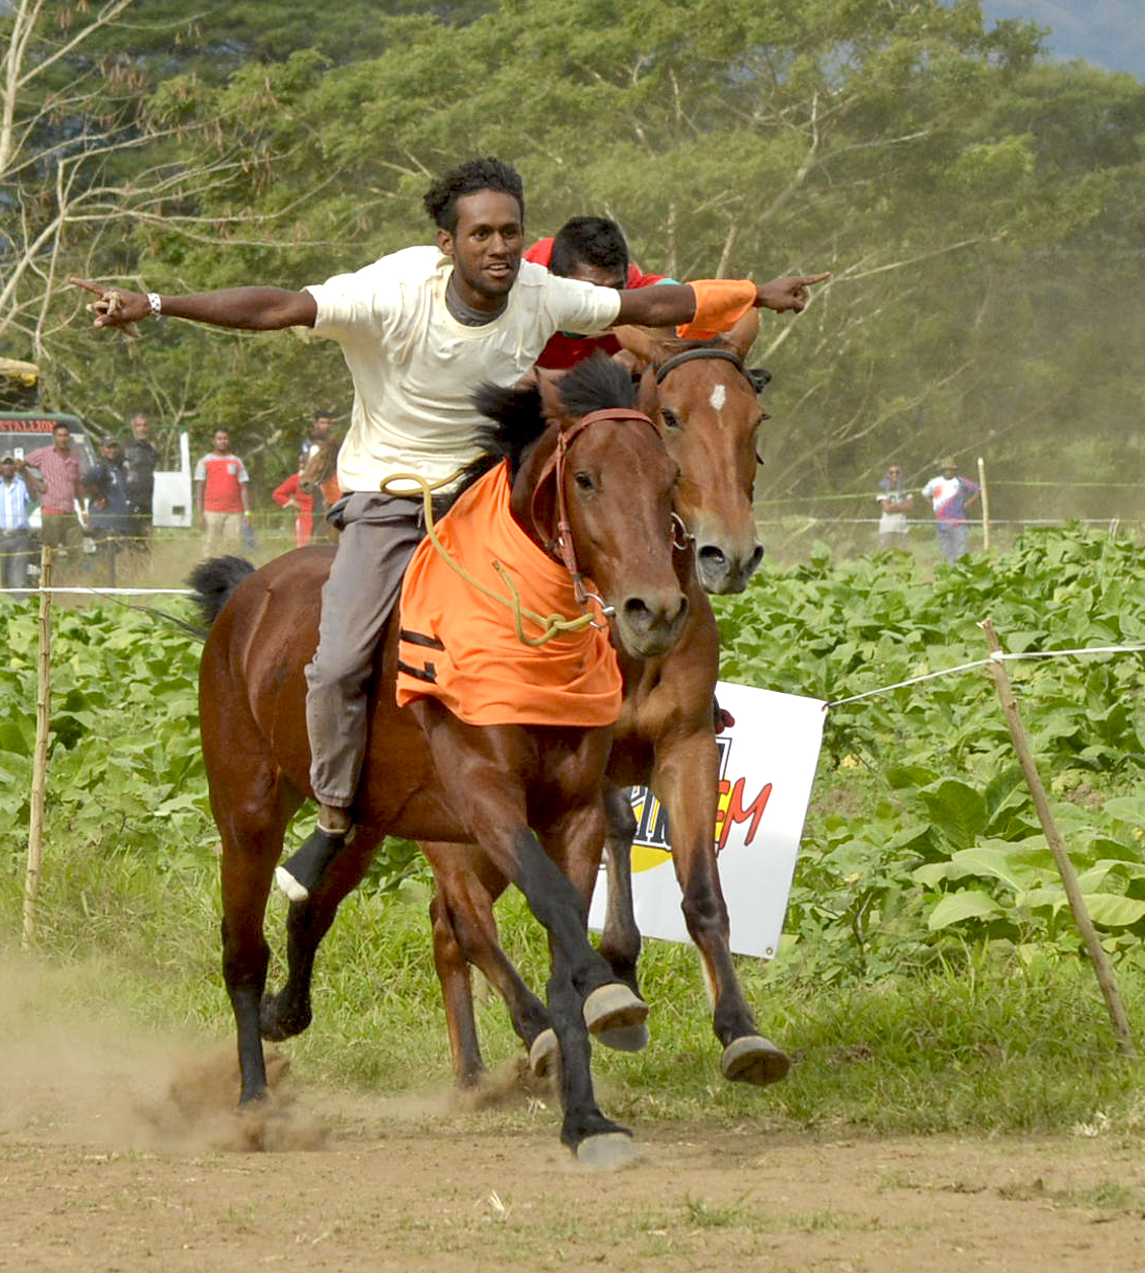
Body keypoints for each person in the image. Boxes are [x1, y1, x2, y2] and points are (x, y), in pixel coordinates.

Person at [71, 154, 823, 879]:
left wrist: (756, 292)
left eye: (508, 231)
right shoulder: (391, 291)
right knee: (335, 663)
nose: (499, 247)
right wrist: (157, 304)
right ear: (448, 242)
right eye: (482, 234)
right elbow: (277, 307)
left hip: (488, 494)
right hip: (390, 500)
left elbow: (651, 304)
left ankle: (625, 743)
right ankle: (334, 813)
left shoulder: (539, 289)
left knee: (613, 573)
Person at [522, 216, 674, 370]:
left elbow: (679, 298)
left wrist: (641, 351)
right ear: (553, 278)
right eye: (590, 291)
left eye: (614, 290)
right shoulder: (517, 289)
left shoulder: (630, 287)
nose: (604, 303)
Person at [24, 422, 85, 573]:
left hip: (70, 512)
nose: (63, 438)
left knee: (77, 552)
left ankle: (74, 585)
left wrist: (84, 511)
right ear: (54, 437)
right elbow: (21, 465)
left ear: (69, 437)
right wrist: (36, 483)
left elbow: (77, 485)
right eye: (60, 435)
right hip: (51, 513)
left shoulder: (74, 457)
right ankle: (50, 585)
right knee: (50, 555)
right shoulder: (44, 453)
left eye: (65, 435)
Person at [0, 455, 35, 589]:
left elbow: (33, 497)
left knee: (18, 581)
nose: (8, 467)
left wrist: (25, 475)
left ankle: (19, 608)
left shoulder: (22, 485)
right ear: (0, 467)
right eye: (5, 464)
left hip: (20, 537)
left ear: (15, 467)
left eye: (10, 464)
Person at [194, 428, 250, 554]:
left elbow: (244, 488)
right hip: (211, 512)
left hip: (234, 513)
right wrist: (200, 513)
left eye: (225, 439)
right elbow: (200, 488)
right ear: (214, 441)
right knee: (210, 548)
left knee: (232, 549)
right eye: (219, 439)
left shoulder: (237, 461)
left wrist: (248, 513)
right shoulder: (205, 461)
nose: (222, 442)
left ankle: (230, 574)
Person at [923, 456, 981, 565]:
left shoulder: (961, 482)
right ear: (942, 470)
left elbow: (977, 490)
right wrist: (933, 505)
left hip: (958, 523)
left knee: (961, 554)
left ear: (954, 470)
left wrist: (967, 504)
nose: (948, 472)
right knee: (947, 554)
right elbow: (924, 494)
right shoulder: (934, 482)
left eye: (951, 469)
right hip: (941, 524)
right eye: (946, 469)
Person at [85, 437, 134, 550]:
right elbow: (87, 481)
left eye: (114, 447)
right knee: (107, 561)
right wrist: (99, 497)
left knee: (119, 561)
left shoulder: (118, 468)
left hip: (119, 525)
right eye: (108, 447)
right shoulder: (101, 467)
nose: (112, 450)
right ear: (102, 449)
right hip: (105, 524)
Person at [124, 414, 159, 548]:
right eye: (138, 425)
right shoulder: (126, 448)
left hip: (147, 501)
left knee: (146, 542)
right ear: (133, 428)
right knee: (131, 541)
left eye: (145, 425)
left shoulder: (152, 449)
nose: (142, 429)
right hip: (131, 501)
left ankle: (143, 568)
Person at [876, 464, 914, 552]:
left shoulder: (905, 490)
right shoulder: (882, 490)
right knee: (885, 557)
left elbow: (911, 506)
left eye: (897, 472)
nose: (894, 475)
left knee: (902, 558)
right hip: (887, 529)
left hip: (902, 529)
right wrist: (903, 505)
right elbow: (887, 508)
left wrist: (895, 505)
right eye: (891, 472)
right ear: (887, 474)